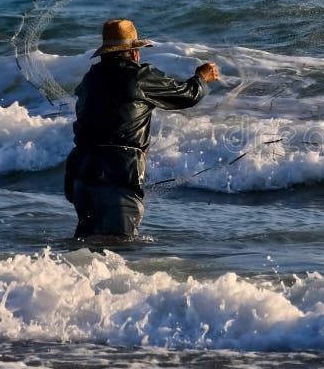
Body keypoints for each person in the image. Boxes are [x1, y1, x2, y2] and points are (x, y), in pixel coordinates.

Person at [64, 19, 219, 238]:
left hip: (81, 173)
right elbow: (186, 95)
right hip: (119, 174)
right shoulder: (139, 76)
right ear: (135, 52)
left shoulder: (90, 80)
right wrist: (201, 79)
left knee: (86, 243)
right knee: (120, 244)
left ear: (105, 52)